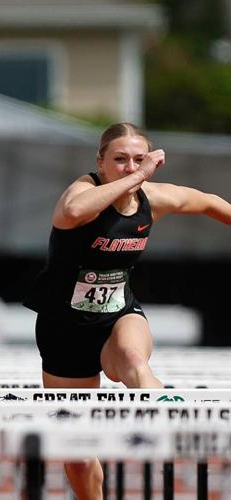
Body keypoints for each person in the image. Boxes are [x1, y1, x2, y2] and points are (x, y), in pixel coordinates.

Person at [24, 122, 231, 498]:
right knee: (79, 456)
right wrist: (136, 177)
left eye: (138, 159)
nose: (131, 166)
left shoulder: (154, 198)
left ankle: (163, 413)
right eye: (120, 160)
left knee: (134, 359)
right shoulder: (83, 190)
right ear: (100, 162)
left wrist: (141, 181)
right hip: (63, 329)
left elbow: (207, 202)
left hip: (118, 317)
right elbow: (69, 213)